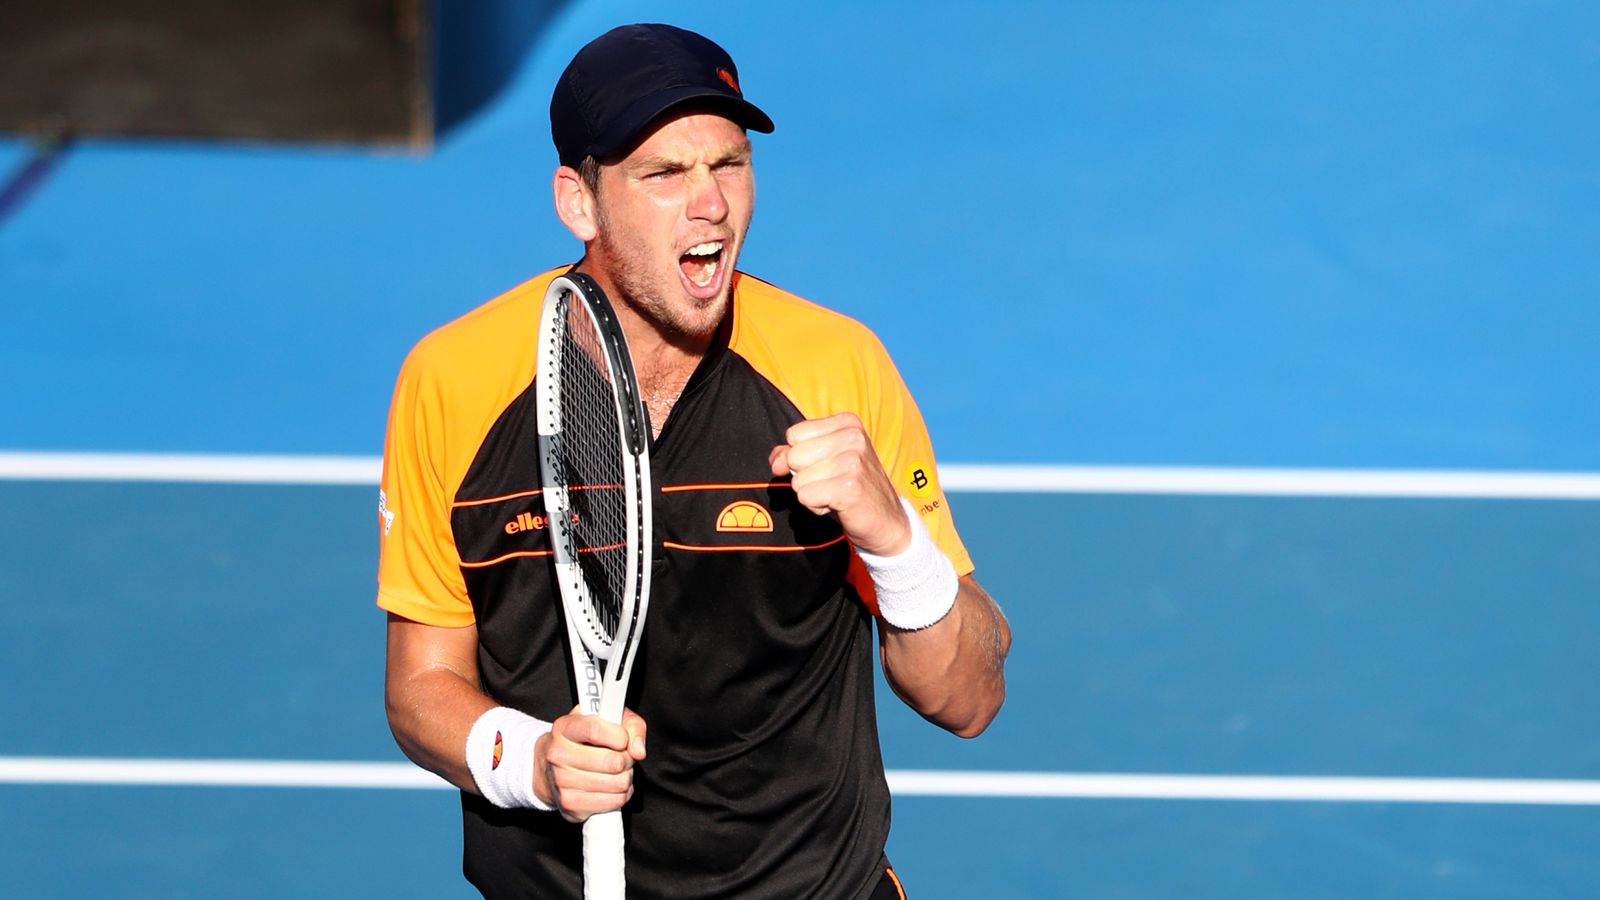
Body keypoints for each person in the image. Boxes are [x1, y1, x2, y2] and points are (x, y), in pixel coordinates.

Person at [377, 23, 1011, 900]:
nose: (709, 203)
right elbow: (422, 686)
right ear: (580, 203)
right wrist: (531, 761)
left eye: (729, 164)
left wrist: (895, 541)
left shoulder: (834, 369)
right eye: (664, 175)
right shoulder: (454, 381)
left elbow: (968, 696)